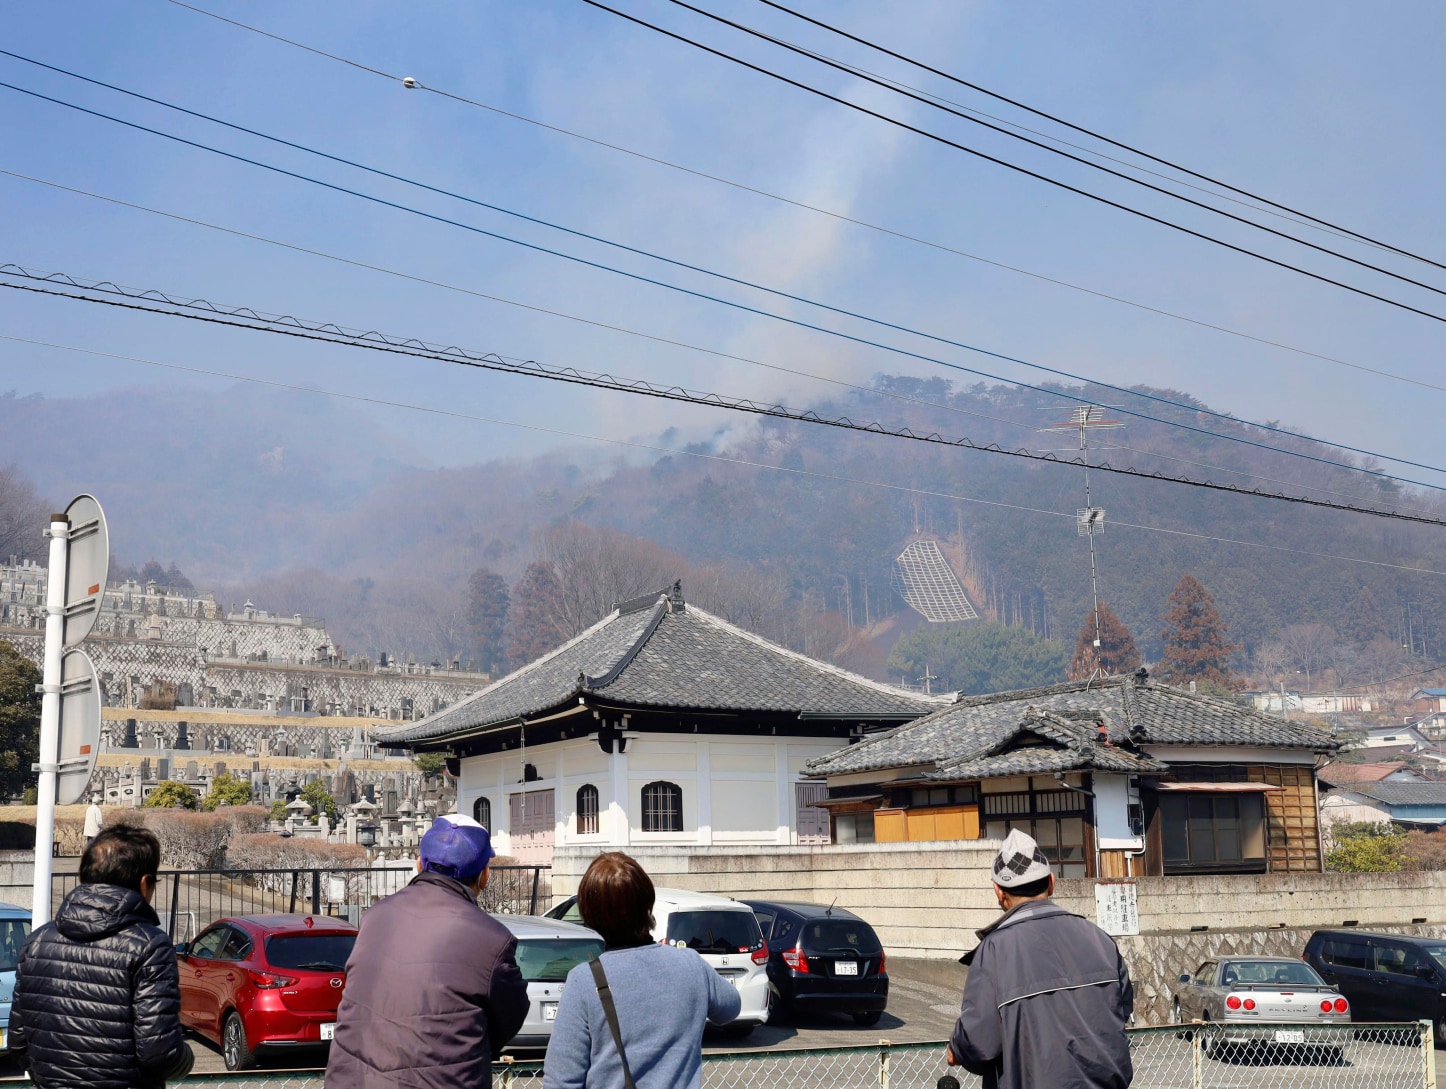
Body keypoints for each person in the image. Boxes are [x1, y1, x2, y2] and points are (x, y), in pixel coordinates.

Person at [326, 812, 530, 1087]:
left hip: (353, 1079)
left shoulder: (375, 917)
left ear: (420, 864)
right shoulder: (492, 939)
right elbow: (508, 1020)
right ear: (484, 876)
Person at [946, 828, 1133, 1089]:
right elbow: (1122, 1010)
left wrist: (956, 1047)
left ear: (999, 892)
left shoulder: (994, 951)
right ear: (1052, 882)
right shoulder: (1100, 939)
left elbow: (979, 1045)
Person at [10, 824, 194, 1089]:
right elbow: (159, 1053)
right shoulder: (150, 946)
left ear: (84, 875)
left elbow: (18, 1042)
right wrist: (186, 1058)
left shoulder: (37, 941)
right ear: (144, 884)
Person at [544, 852, 739, 1089]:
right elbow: (731, 1008)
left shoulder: (585, 981)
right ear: (648, 904)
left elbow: (561, 1080)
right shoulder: (691, 964)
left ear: (589, 916)